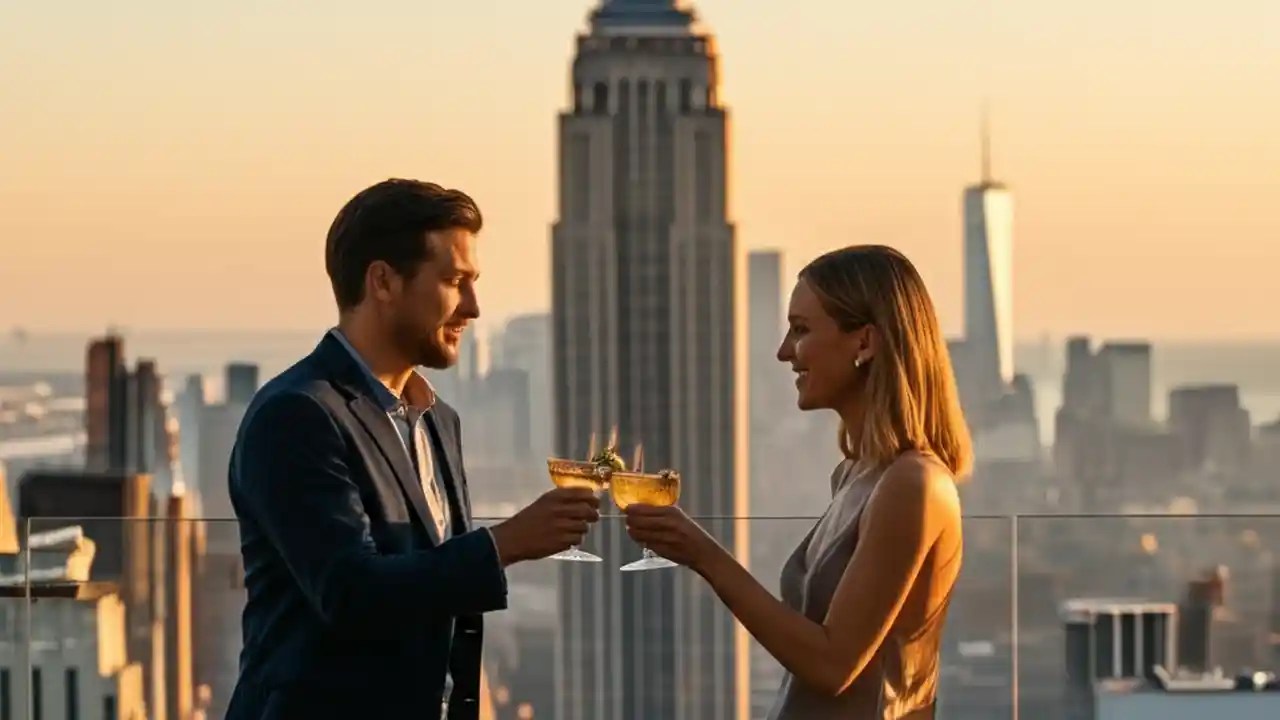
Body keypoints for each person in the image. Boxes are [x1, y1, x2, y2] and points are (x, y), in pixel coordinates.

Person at [225, 179, 600, 720]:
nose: (472, 306)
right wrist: (504, 545)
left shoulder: (436, 420)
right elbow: (350, 593)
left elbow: (432, 595)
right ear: (383, 281)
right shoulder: (297, 415)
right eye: (454, 281)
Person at [625, 245, 972, 719]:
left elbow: (833, 666)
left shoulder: (913, 484)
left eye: (802, 330)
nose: (785, 351)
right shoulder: (856, 475)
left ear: (864, 343)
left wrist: (703, 555)